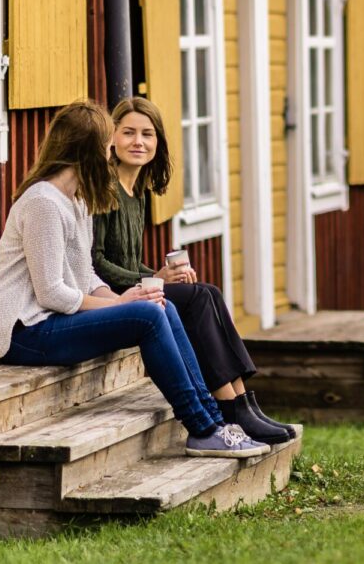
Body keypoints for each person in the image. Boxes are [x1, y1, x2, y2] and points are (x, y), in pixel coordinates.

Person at [0, 99, 269, 459]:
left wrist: (125, 296)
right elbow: (51, 292)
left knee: (157, 306)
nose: (110, 153)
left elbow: (84, 274)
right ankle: (202, 426)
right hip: (22, 333)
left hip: (52, 322)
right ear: (88, 150)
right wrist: (119, 303)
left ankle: (214, 423)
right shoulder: (44, 203)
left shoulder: (77, 200)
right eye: (106, 145)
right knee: (146, 315)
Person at [92, 96, 296, 447]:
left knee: (209, 292)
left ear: (158, 142)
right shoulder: (105, 188)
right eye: (128, 133)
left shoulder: (137, 191)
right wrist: (151, 279)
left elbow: (129, 260)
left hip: (137, 289)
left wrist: (158, 273)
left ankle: (243, 401)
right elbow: (96, 262)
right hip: (112, 298)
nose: (138, 142)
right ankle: (231, 407)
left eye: (147, 134)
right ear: (111, 138)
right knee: (199, 298)